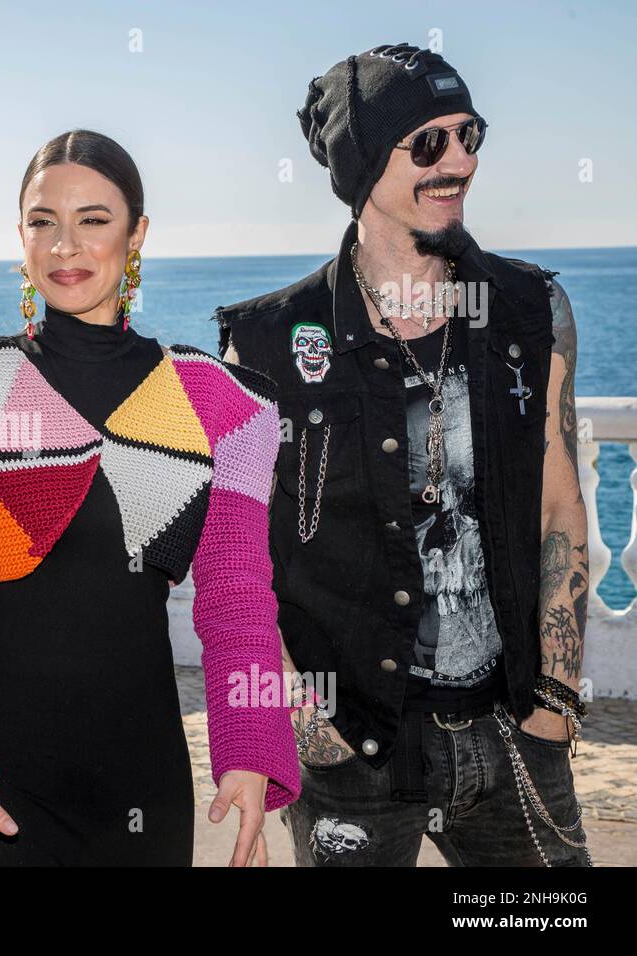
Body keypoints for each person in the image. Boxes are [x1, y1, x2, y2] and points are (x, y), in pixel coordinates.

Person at [214, 44, 591, 866]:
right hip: (354, 752)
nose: (460, 161)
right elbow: (240, 556)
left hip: (514, 729)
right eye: (428, 144)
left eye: (470, 135)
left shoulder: (533, 311)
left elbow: (560, 507)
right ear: (362, 167)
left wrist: (556, 702)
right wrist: (309, 724)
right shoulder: (266, 343)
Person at [0, 129, 299, 867]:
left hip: (144, 769)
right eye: (42, 221)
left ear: (137, 233)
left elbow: (239, 599)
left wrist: (251, 747)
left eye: (94, 219)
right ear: (20, 237)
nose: (64, 245)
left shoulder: (222, 402)